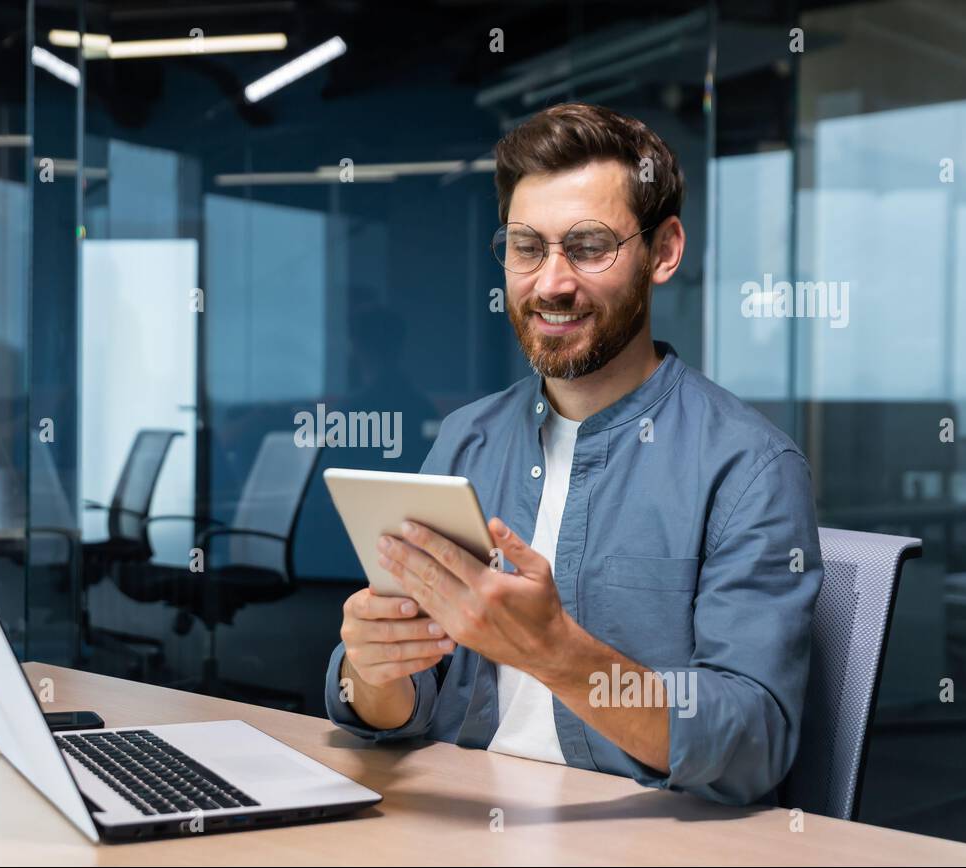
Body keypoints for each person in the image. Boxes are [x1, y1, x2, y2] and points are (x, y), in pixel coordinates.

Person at [323, 102, 823, 807]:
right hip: (459, 818)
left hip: (645, 843)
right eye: (528, 247)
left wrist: (556, 652)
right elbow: (400, 708)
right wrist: (376, 671)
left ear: (665, 251)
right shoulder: (466, 439)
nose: (552, 283)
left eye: (589, 246)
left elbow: (752, 742)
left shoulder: (748, 468)